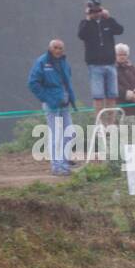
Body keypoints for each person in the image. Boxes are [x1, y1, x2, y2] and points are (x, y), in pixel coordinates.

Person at [28, 39, 78, 176]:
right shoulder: (42, 62)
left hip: (65, 104)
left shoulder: (64, 63)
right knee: (56, 136)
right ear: (50, 48)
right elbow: (33, 83)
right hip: (52, 106)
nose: (58, 50)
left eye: (60, 48)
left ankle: (65, 162)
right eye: (55, 47)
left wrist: (70, 97)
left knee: (70, 133)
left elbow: (68, 82)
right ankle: (57, 167)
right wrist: (47, 98)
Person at [77, 0, 124, 117]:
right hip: (95, 65)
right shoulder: (85, 24)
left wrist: (109, 17)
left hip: (110, 64)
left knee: (112, 95)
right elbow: (81, 35)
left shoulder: (107, 22)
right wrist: (88, 18)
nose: (96, 13)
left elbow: (120, 30)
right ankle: (100, 124)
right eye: (93, 11)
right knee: (98, 96)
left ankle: (110, 124)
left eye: (98, 10)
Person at [114, 43, 135, 123]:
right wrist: (128, 95)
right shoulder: (113, 70)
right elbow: (114, 86)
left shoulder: (131, 67)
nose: (122, 56)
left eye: (124, 54)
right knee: (124, 131)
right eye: (120, 55)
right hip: (121, 106)